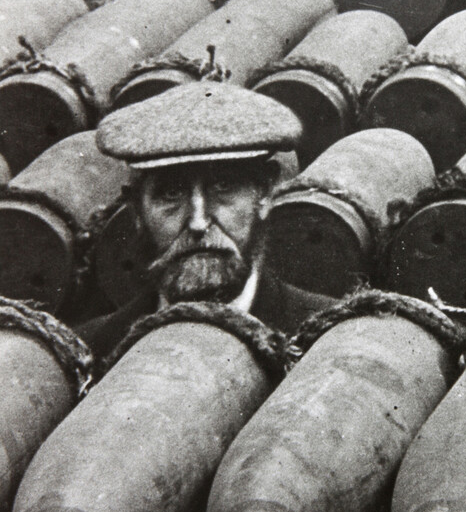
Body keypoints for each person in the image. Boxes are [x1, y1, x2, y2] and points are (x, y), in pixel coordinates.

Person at [77, 81, 335, 358]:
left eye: (223, 186)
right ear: (137, 211)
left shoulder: (327, 343)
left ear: (265, 194)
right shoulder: (88, 353)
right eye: (171, 193)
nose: (198, 223)